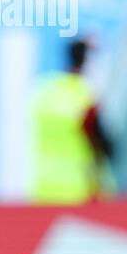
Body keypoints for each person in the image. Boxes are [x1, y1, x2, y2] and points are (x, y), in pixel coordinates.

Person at [28, 39, 115, 203]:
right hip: (79, 190)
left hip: (43, 187)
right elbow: (103, 145)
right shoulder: (85, 96)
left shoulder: (45, 91)